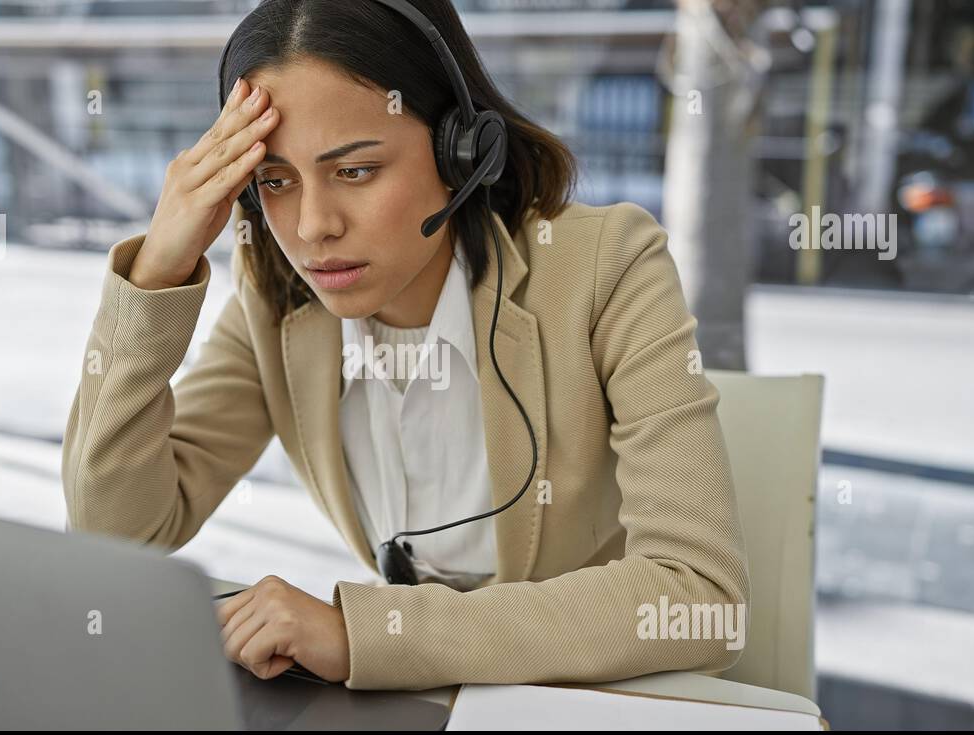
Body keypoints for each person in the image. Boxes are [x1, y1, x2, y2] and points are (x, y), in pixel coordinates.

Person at [62, 0, 749, 691]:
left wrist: (370, 632)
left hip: (598, 697)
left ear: (460, 149)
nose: (312, 228)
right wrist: (155, 276)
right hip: (415, 701)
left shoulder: (606, 267)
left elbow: (698, 597)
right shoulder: (280, 302)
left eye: (355, 170)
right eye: (274, 181)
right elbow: (119, 530)